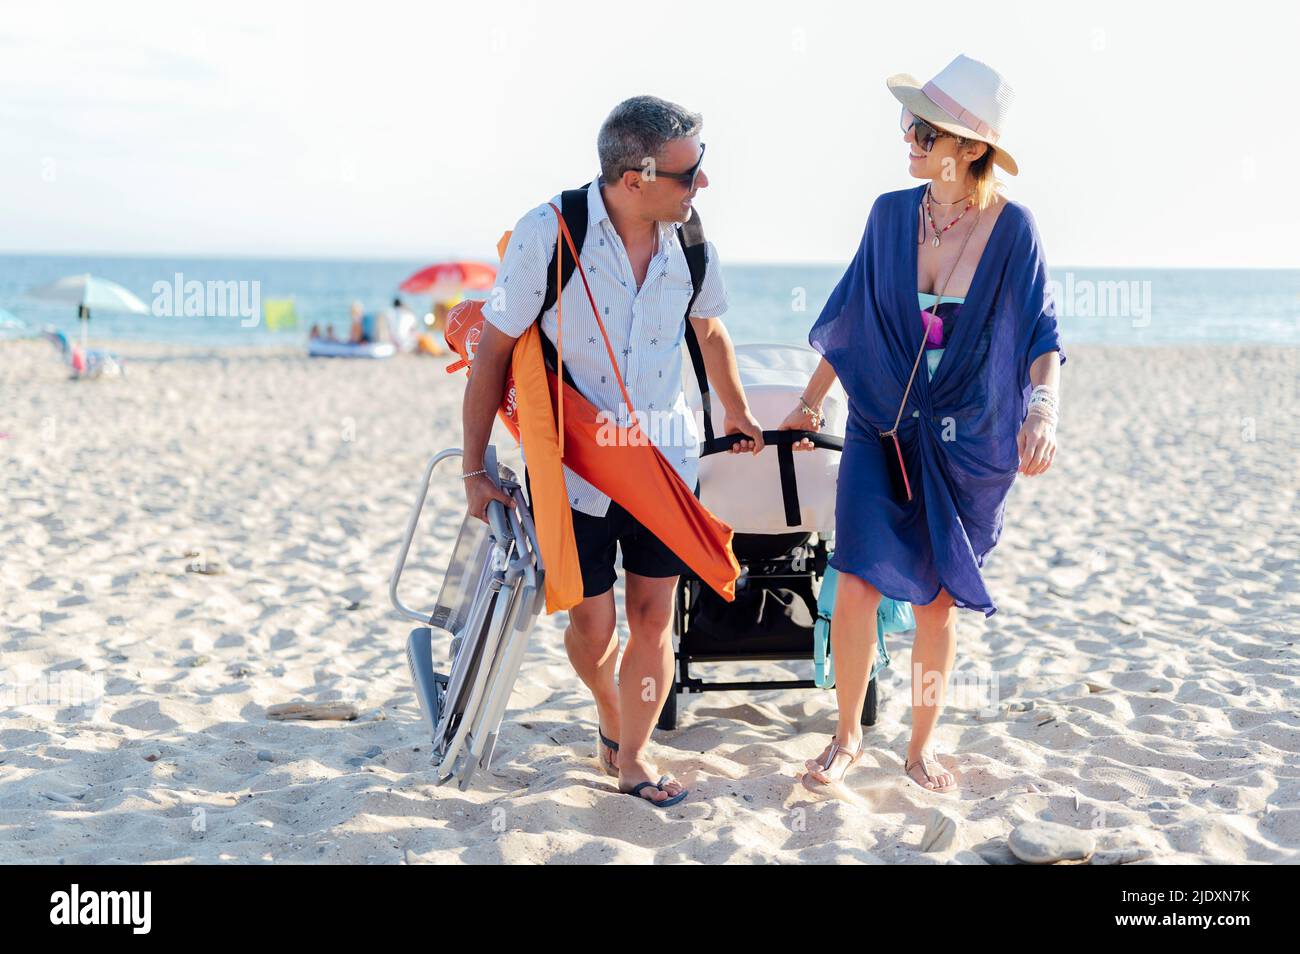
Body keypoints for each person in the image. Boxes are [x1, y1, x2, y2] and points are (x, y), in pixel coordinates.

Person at [461, 96, 764, 806]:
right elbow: (493, 355)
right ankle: (609, 708)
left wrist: (739, 410)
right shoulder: (552, 233)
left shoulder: (691, 243)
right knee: (592, 627)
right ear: (635, 178)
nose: (703, 187)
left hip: (664, 462)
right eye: (689, 174)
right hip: (574, 468)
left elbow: (710, 332)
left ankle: (632, 753)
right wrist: (475, 468)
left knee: (655, 617)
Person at [780, 55, 1064, 795]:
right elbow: (852, 312)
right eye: (909, 122)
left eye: (925, 128)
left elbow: (1041, 336)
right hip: (881, 428)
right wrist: (810, 403)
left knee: (938, 599)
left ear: (970, 149)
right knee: (855, 582)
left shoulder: (1014, 231)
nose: (908, 137)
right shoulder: (888, 215)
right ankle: (846, 738)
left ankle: (920, 749)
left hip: (963, 443)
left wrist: (1043, 410)